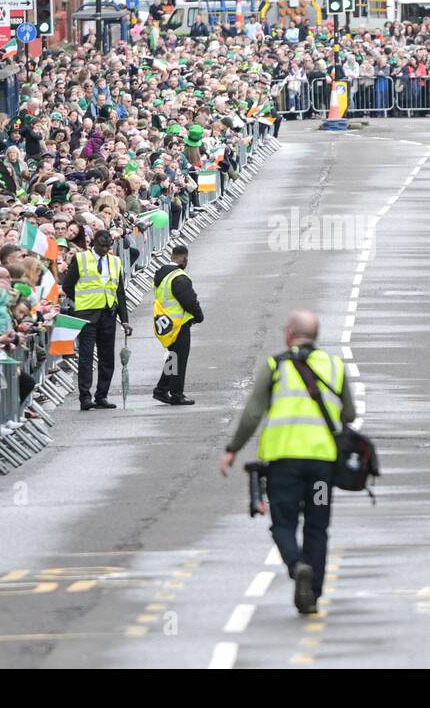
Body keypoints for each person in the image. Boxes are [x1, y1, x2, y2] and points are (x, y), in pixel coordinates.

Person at [220, 309, 355, 615]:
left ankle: (297, 566)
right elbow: (349, 414)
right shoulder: (334, 366)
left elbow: (254, 414)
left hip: (284, 464)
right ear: (316, 335)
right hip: (322, 465)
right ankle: (314, 595)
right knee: (318, 527)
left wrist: (232, 449)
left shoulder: (275, 366)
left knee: (283, 523)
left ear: (290, 334)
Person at [62, 228, 131, 410]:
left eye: (108, 246)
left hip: (108, 313)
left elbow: (120, 291)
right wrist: (82, 301)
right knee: (86, 357)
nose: (105, 249)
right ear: (94, 244)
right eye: (102, 246)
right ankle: (85, 397)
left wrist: (124, 319)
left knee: (107, 357)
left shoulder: (115, 261)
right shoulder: (81, 259)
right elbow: (68, 286)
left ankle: (102, 395)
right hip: (87, 314)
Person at [152, 244, 202, 405]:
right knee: (179, 360)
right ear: (184, 258)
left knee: (173, 358)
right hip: (179, 324)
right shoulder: (179, 277)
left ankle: (161, 389)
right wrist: (199, 316)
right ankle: (177, 394)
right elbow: (189, 301)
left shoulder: (161, 274)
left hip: (165, 323)